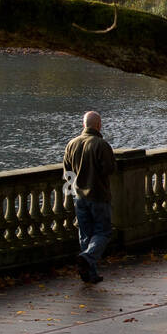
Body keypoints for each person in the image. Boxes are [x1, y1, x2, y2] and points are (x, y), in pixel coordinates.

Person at [63, 111, 115, 284]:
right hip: (98, 196)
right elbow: (109, 169)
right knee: (103, 232)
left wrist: (69, 195)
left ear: (84, 125)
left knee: (85, 235)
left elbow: (67, 173)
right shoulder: (101, 145)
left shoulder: (71, 144)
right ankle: (87, 257)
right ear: (99, 125)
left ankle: (89, 273)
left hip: (78, 197)